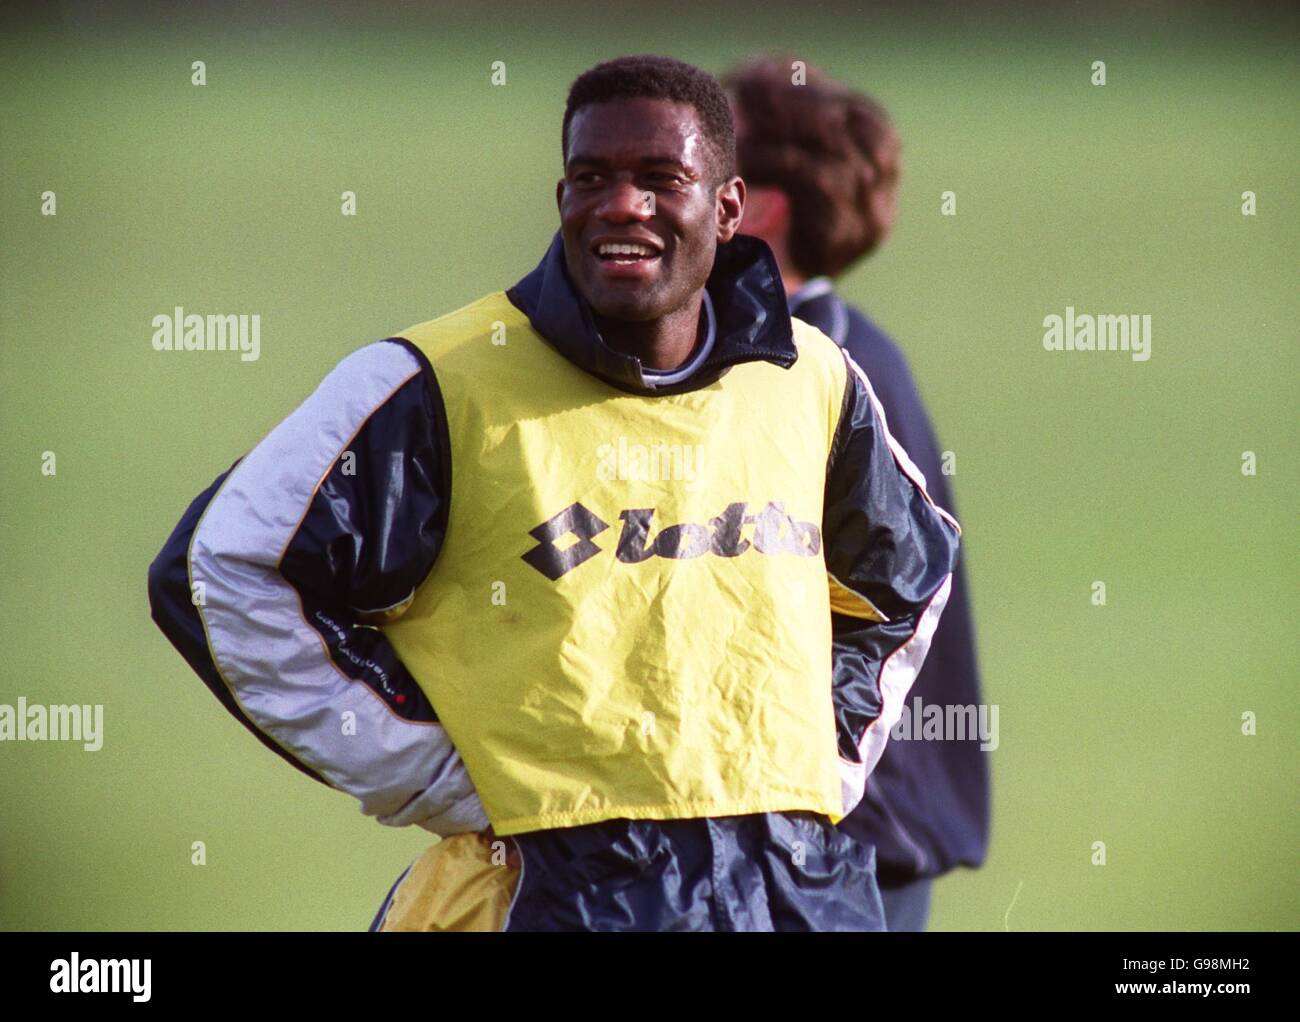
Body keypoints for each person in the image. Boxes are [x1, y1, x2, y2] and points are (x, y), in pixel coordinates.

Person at [147, 54, 960, 932]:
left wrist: (823, 759)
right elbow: (224, 568)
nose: (621, 204)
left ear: (727, 207)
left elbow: (906, 575)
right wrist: (424, 764)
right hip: (537, 899)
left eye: (659, 178)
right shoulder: (434, 381)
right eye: (591, 178)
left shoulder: (814, 379)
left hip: (794, 898)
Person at [724, 56, 990, 930]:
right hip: (859, 830)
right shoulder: (842, 347)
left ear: (758, 205)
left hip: (846, 841)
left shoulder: (809, 368)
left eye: (687, 170)